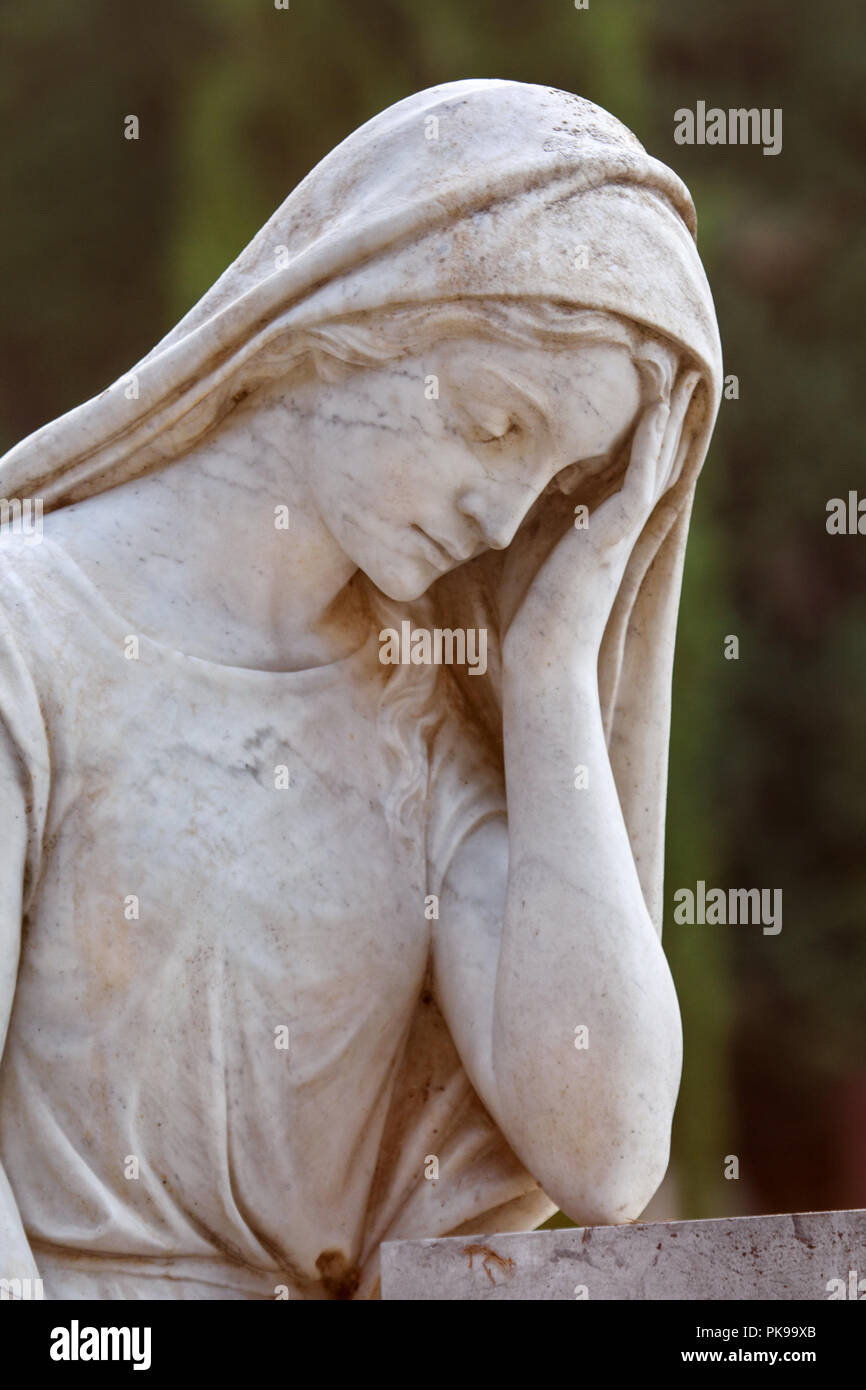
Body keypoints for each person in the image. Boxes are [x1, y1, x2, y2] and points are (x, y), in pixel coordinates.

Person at [0, 79, 721, 1299]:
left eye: (554, 480)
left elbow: (604, 1154)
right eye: (498, 422)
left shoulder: (422, 722)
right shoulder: (32, 627)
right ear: (365, 312)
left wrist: (547, 681)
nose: (501, 515)